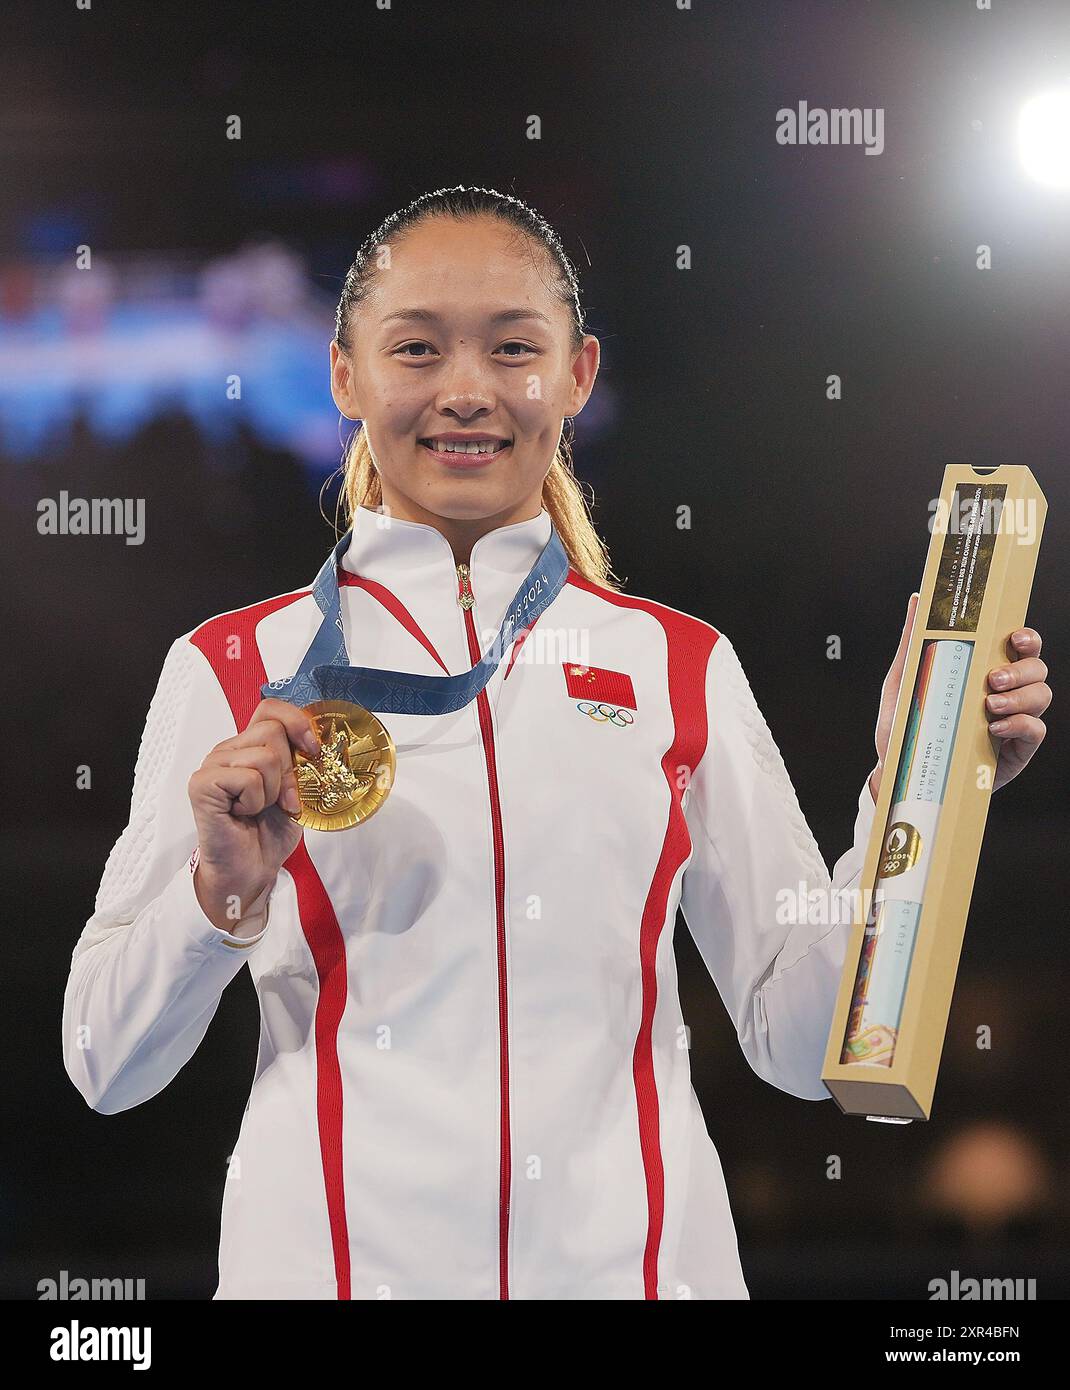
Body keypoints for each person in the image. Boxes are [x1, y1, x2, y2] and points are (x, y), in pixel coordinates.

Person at [61, 185, 1052, 1300]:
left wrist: (913, 784)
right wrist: (215, 898)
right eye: (417, 349)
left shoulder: (677, 666)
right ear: (345, 375)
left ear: (576, 376)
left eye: (512, 348)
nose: (467, 391)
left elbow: (796, 1035)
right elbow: (103, 1063)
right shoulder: (232, 669)